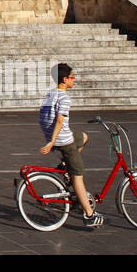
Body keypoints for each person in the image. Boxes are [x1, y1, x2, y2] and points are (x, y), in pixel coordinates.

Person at [39, 63, 104, 228]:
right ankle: (89, 215)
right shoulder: (64, 97)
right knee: (78, 175)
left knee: (83, 137)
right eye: (72, 77)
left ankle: (65, 165)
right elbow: (60, 120)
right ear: (65, 79)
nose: (74, 80)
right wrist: (52, 141)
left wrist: (49, 137)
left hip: (56, 135)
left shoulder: (50, 94)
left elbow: (44, 116)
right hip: (62, 140)